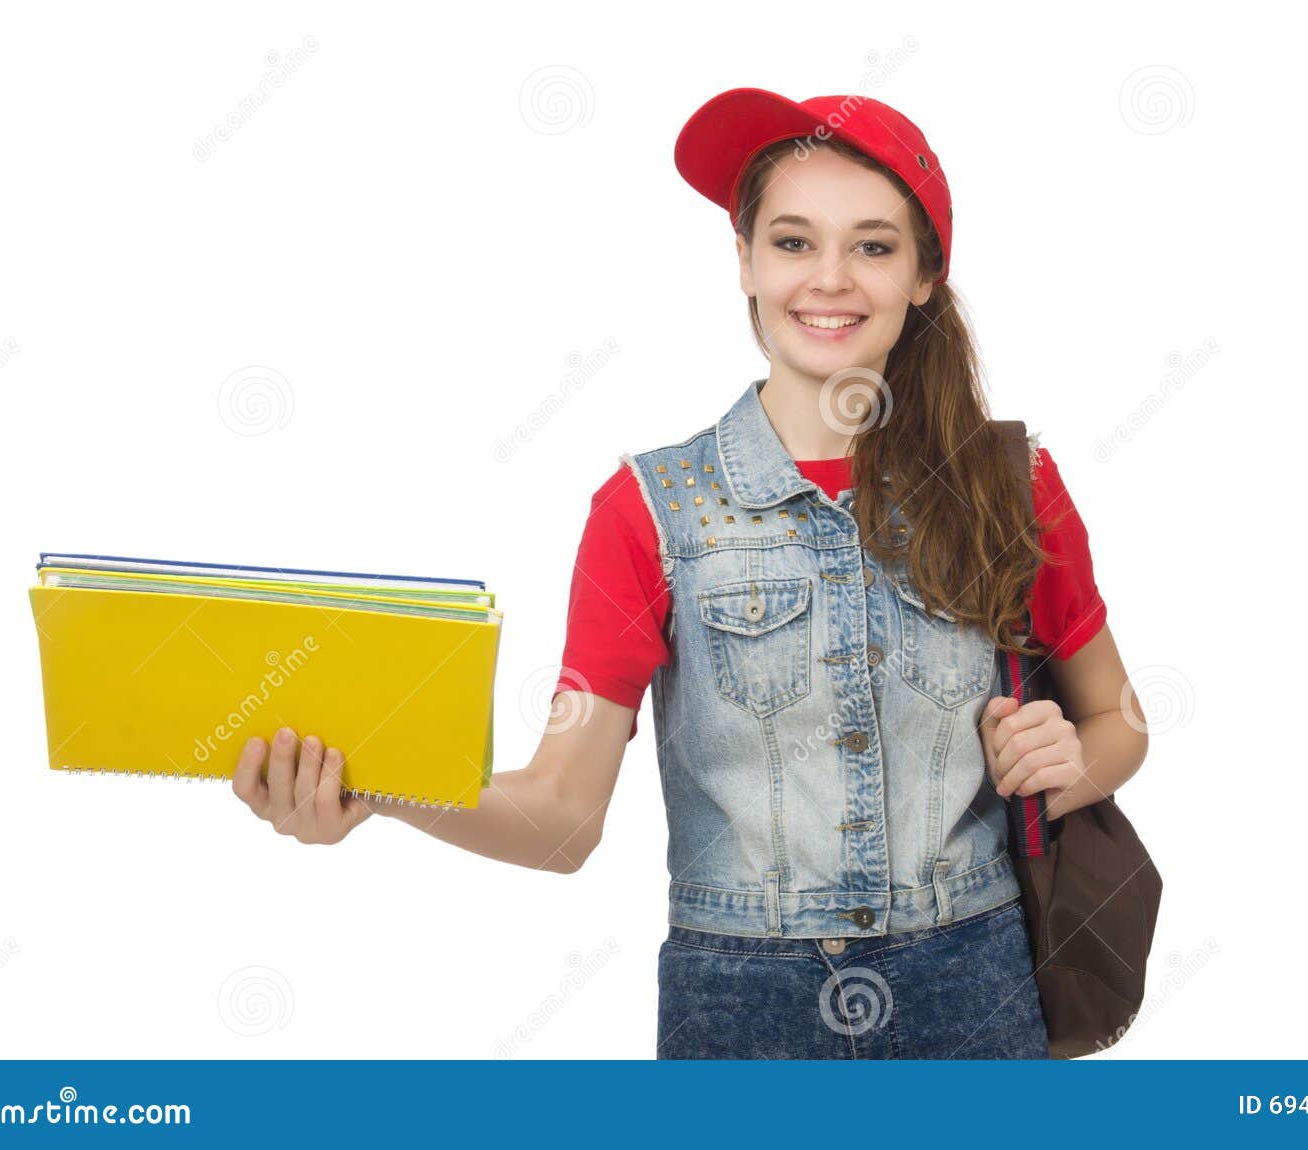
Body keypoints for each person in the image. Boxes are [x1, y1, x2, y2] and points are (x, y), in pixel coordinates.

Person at [229, 88, 1150, 1059]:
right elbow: (561, 818)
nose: (828, 277)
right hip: (739, 1022)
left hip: (979, 1000)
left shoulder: (1011, 486)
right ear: (744, 262)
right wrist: (377, 790)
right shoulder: (647, 513)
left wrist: (1072, 760)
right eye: (792, 242)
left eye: (873, 246)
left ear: (924, 275)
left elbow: (1119, 719)